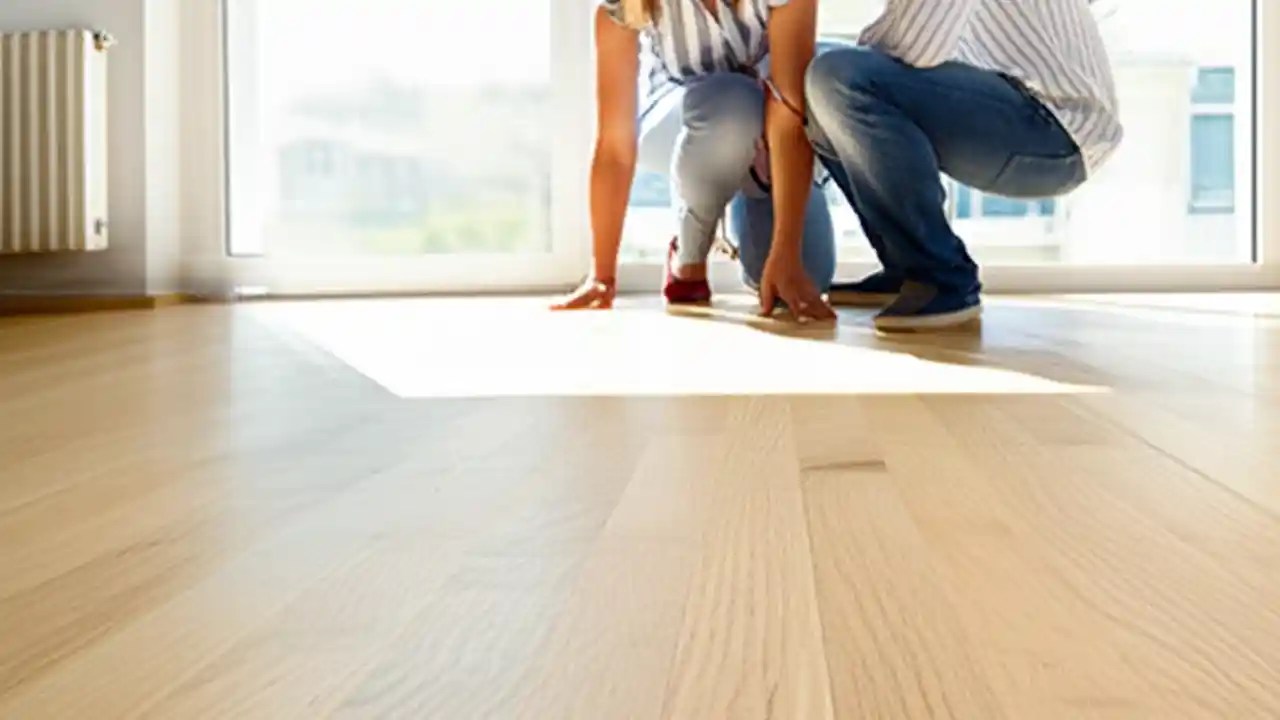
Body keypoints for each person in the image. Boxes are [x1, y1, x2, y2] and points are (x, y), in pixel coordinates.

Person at [808, 0, 1123, 330]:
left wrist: (862, 56)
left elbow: (917, 47)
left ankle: (942, 274)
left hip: (1058, 130)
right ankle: (907, 266)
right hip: (1024, 114)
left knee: (837, 76)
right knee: (817, 71)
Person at [553, 0, 837, 323]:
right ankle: (688, 257)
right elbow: (615, 147)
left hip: (767, 136)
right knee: (733, 106)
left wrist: (786, 251)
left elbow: (789, 110)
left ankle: (750, 191)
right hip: (680, 122)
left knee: (808, 274)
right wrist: (602, 276)